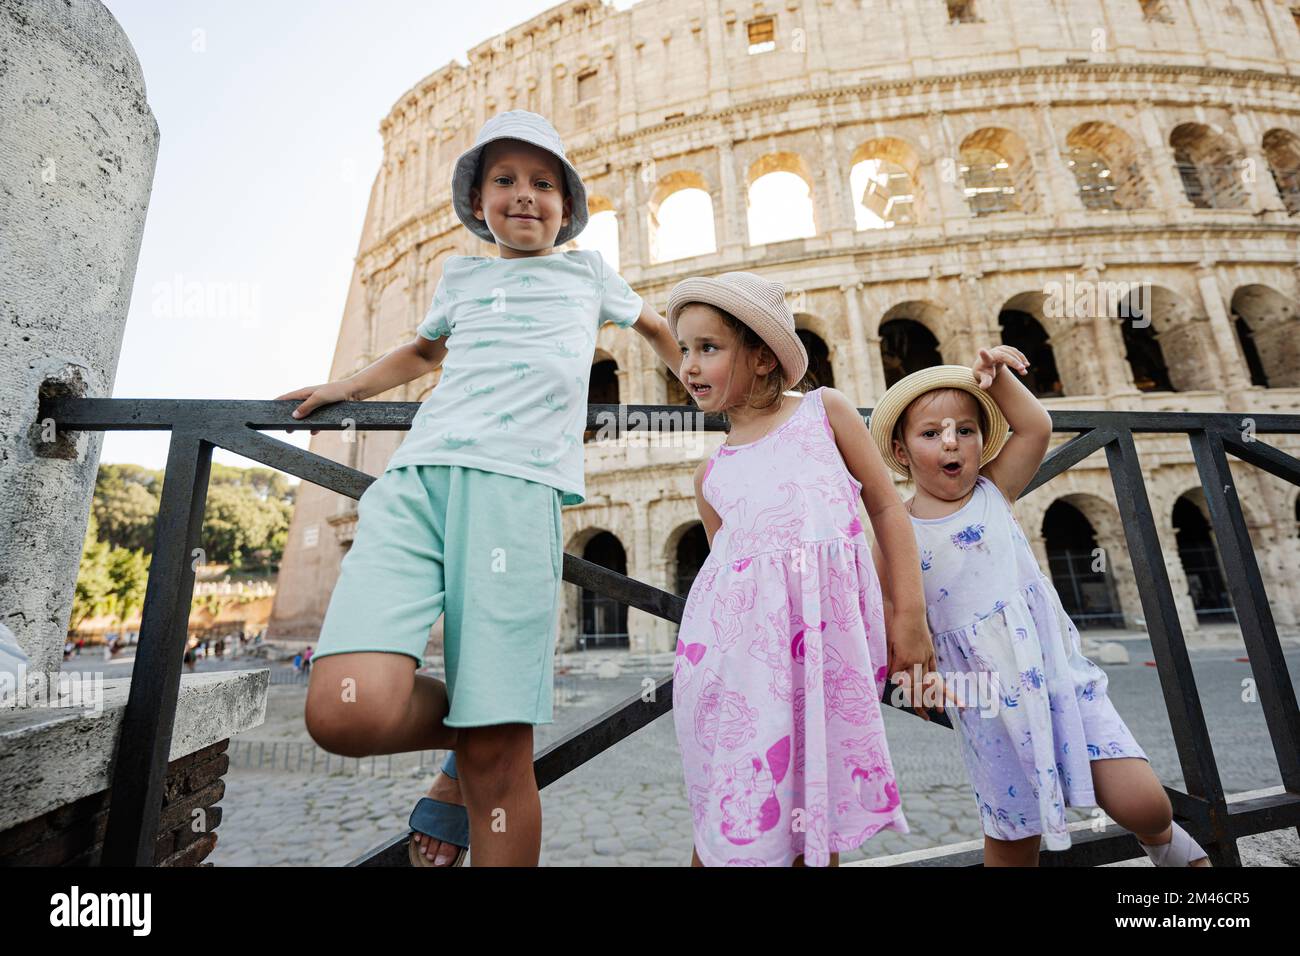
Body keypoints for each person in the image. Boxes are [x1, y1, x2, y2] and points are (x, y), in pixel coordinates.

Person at [282, 111, 685, 867]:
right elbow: (423, 350)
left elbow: (658, 329)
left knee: (500, 764)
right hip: (412, 483)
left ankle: (474, 748)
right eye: (504, 180)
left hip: (516, 492)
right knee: (346, 714)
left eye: (543, 183)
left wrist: (701, 387)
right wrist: (347, 385)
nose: (523, 195)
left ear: (568, 208)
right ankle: (470, 729)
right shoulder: (461, 275)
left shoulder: (588, 272)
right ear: (478, 200)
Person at [868, 346, 1211, 867]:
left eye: (965, 429)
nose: (951, 442)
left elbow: (1035, 428)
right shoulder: (897, 530)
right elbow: (894, 621)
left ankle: (1172, 850)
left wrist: (997, 378)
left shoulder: (993, 490)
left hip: (1057, 678)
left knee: (1145, 803)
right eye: (931, 433)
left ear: (982, 440)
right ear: (901, 449)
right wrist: (918, 683)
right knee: (1012, 841)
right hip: (984, 701)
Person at [668, 271, 938, 866]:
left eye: (707, 348)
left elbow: (888, 506)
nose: (687, 365)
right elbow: (727, 579)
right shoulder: (709, 475)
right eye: (684, 349)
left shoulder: (826, 411)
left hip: (825, 658)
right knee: (731, 817)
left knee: (814, 815)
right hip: (732, 674)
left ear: (764, 358)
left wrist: (908, 616)